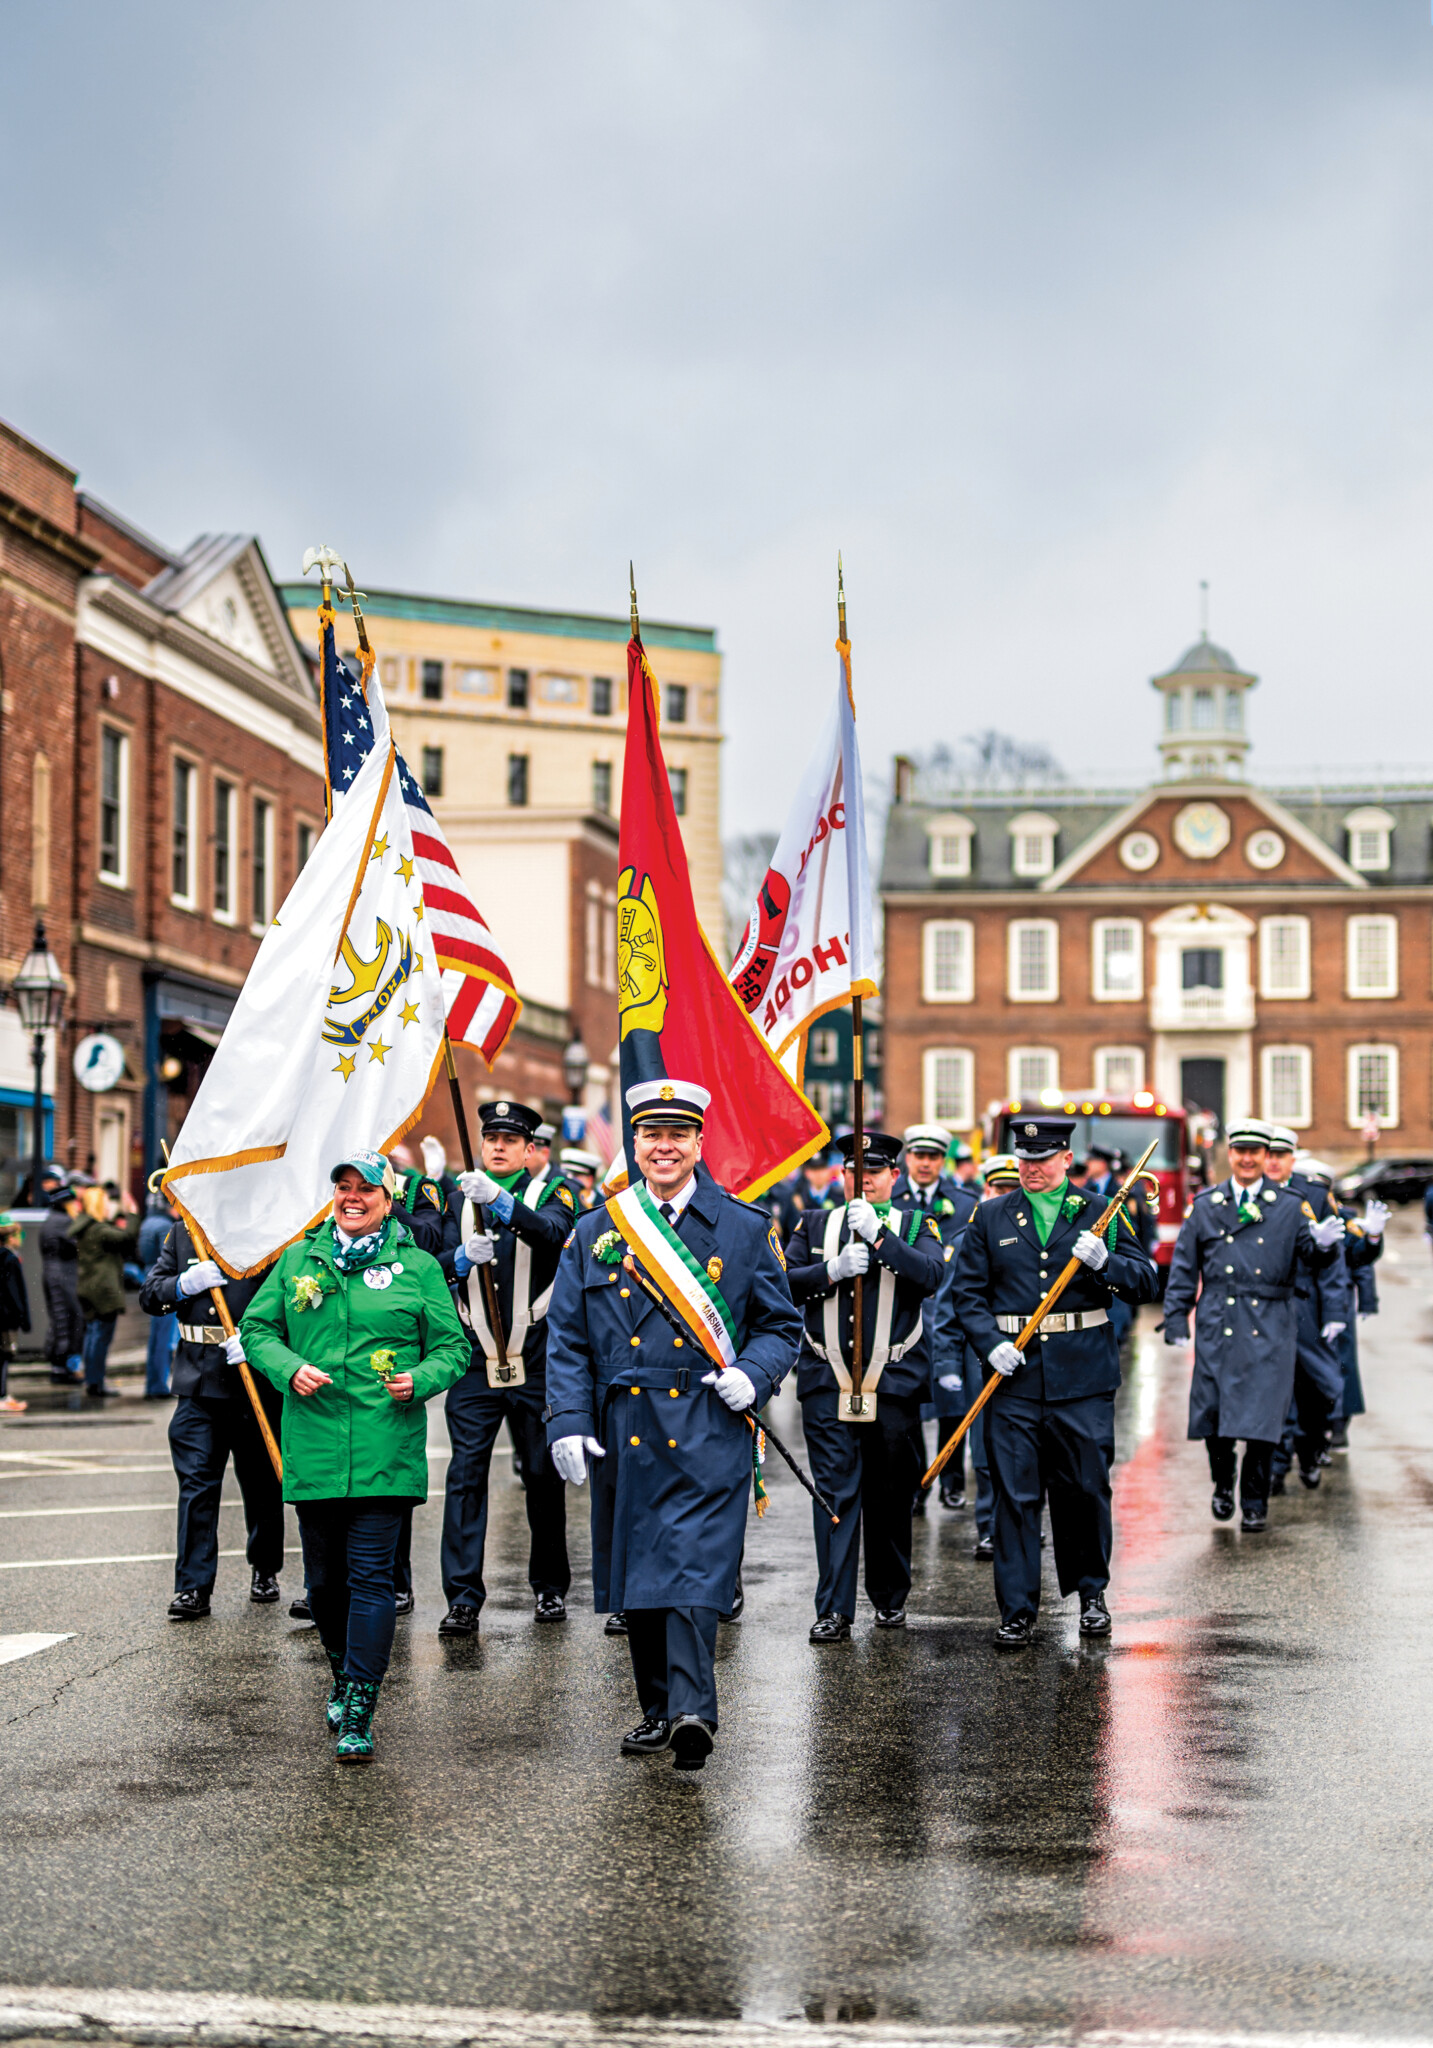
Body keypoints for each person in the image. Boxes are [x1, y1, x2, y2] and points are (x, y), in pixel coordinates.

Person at [545, 1079, 801, 1771]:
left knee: (690, 1566)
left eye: (677, 1135)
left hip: (707, 1421)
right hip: (623, 1420)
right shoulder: (596, 1229)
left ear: (698, 1144)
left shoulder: (744, 1228)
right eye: (651, 1136)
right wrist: (566, 1419)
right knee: (641, 1573)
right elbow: (566, 1339)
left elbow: (781, 1325)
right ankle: (657, 1707)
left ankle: (693, 1710)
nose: (663, 1147)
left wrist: (754, 1371)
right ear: (634, 1144)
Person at [241, 1148, 469, 1763]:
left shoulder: (417, 1267)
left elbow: (453, 1347)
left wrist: (419, 1381)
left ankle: (361, 1707)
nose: (351, 1196)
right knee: (322, 1587)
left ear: (387, 1198)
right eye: (342, 1186)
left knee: (371, 1581)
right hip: (314, 1445)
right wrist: (289, 1370)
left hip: (383, 1449)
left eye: (365, 1188)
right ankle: (343, 1675)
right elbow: (257, 1331)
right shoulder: (298, 1259)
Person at [949, 1113, 1160, 1648]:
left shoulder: (1101, 1212)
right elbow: (967, 1294)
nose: (1031, 1169)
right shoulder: (991, 1216)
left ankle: (1091, 1594)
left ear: (1067, 1160)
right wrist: (988, 1343)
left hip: (1081, 1378)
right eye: (1024, 1160)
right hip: (1013, 1379)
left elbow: (1145, 1282)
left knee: (1085, 1488)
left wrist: (1105, 1262)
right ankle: (1017, 1609)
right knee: (1015, 1496)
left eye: (1042, 1160)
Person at [785, 1128, 946, 1643]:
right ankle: (832, 1608)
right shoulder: (811, 1224)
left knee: (890, 1494)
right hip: (826, 1379)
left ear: (894, 1177)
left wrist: (880, 1239)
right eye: (856, 1172)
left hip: (892, 1382)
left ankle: (890, 1598)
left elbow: (930, 1275)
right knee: (833, 1495)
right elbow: (781, 1282)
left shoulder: (919, 1223)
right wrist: (828, 1270)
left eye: (875, 1172)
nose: (865, 1180)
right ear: (843, 1175)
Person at [436, 1099, 576, 1637]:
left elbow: (556, 1236)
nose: (497, 1146)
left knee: (542, 1475)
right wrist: (458, 1259)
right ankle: (463, 1596)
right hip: (475, 1360)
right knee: (466, 1475)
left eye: (510, 1139)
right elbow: (437, 1264)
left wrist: (500, 1202)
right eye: (490, 1137)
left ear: (529, 1149)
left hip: (534, 1356)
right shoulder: (456, 1199)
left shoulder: (553, 1192)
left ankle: (548, 1589)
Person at [1163, 1117, 1344, 1533]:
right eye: (1240, 1151)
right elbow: (1186, 1265)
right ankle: (1223, 1483)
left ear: (1266, 1157)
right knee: (1216, 1414)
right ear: (1230, 1155)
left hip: (1271, 1322)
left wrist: (1324, 1246)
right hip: (1219, 1321)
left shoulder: (1289, 1204)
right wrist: (1175, 1315)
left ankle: (1256, 1500)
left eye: (1255, 1152)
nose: (1247, 1159)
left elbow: (1309, 1257)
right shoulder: (1207, 1206)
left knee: (1264, 1421)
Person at [140, 1213, 288, 1619]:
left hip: (253, 1375)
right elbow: (151, 1295)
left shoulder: (272, 1232)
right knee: (197, 1483)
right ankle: (192, 1586)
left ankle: (265, 1566)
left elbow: (289, 1302)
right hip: (199, 1380)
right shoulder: (186, 1233)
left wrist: (262, 1344)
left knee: (261, 1483)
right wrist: (182, 1285)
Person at [1261, 1130, 1350, 1493]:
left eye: (1281, 1155)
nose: (1273, 1161)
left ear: (1292, 1159)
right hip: (1266, 1307)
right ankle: (1277, 1466)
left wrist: (1334, 1312)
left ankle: (1311, 1449)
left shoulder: (1313, 1195)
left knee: (1316, 1389)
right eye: (1268, 1154)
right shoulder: (1249, 1194)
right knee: (1272, 1388)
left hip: (1306, 1304)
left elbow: (1333, 1264)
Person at [895, 1124, 978, 1511]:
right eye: (919, 1155)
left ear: (942, 1161)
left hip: (951, 1320)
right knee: (909, 1406)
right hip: (905, 1318)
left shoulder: (965, 1203)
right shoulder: (891, 1198)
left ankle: (952, 1479)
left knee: (952, 1402)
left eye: (933, 1157)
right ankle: (915, 1483)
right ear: (907, 1157)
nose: (925, 1163)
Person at [69, 1183, 140, 1397]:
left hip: (88, 1288)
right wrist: (133, 1213)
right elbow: (127, 1238)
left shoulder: (85, 1227)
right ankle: (96, 1382)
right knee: (100, 1338)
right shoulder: (99, 1230)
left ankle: (92, 1380)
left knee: (93, 1336)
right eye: (107, 1203)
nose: (110, 1207)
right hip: (103, 1291)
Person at [39, 1185, 84, 1384]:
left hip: (51, 1274)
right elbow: (77, 1245)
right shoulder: (64, 1222)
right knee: (70, 1318)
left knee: (59, 1319)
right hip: (64, 1276)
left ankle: (58, 1366)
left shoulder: (49, 1221)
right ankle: (63, 1367)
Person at [137, 1193, 180, 1401]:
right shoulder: (167, 1226)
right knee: (164, 1339)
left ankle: (153, 1383)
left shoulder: (148, 1222)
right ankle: (158, 1385)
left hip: (150, 1277)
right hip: (164, 1283)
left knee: (157, 1338)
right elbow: (169, 1258)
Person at [0, 1217, 30, 1413]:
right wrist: (23, 1317)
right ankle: (2, 1395)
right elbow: (15, 1293)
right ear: (11, 1237)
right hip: (6, 1318)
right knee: (4, 1355)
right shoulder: (10, 1259)